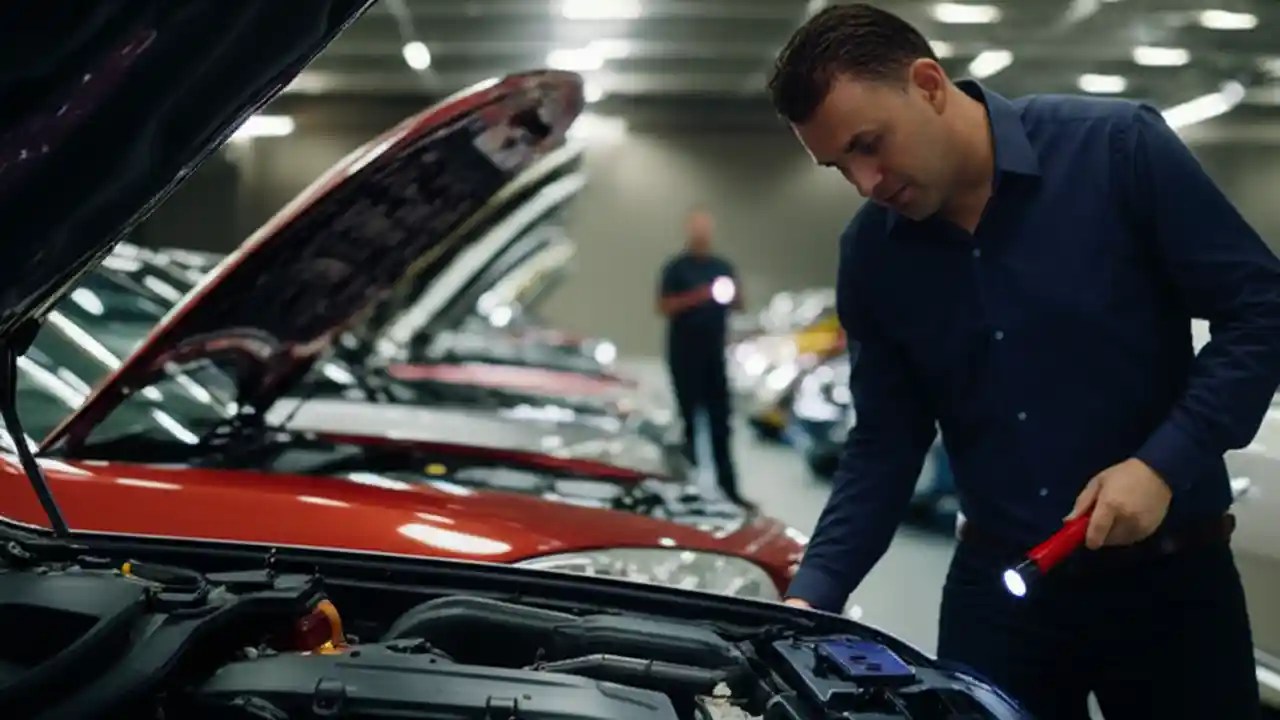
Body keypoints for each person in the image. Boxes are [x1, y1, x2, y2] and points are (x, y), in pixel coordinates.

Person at [767, 4, 1280, 718]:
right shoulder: (873, 255)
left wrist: (1164, 462)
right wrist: (811, 596)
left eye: (869, 144)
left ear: (928, 84)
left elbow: (1261, 309)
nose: (865, 182)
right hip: (1000, 594)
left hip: (1173, 584)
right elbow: (885, 443)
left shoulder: (1116, 152)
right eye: (838, 165)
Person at [656, 209, 751, 508]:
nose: (702, 234)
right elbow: (664, 306)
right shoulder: (676, 268)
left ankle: (729, 489)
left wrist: (729, 295)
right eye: (697, 228)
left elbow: (740, 303)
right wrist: (700, 296)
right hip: (684, 355)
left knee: (721, 424)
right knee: (689, 424)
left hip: (714, 355)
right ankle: (690, 489)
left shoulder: (722, 266)